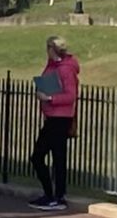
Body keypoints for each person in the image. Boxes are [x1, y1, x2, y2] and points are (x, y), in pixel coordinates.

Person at [28, 36, 80, 211]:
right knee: (53, 157)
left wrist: (50, 97)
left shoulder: (66, 69)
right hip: (51, 116)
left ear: (52, 49)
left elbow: (71, 96)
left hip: (60, 118)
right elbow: (47, 80)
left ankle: (55, 197)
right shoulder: (52, 65)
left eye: (47, 48)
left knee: (41, 156)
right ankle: (53, 195)